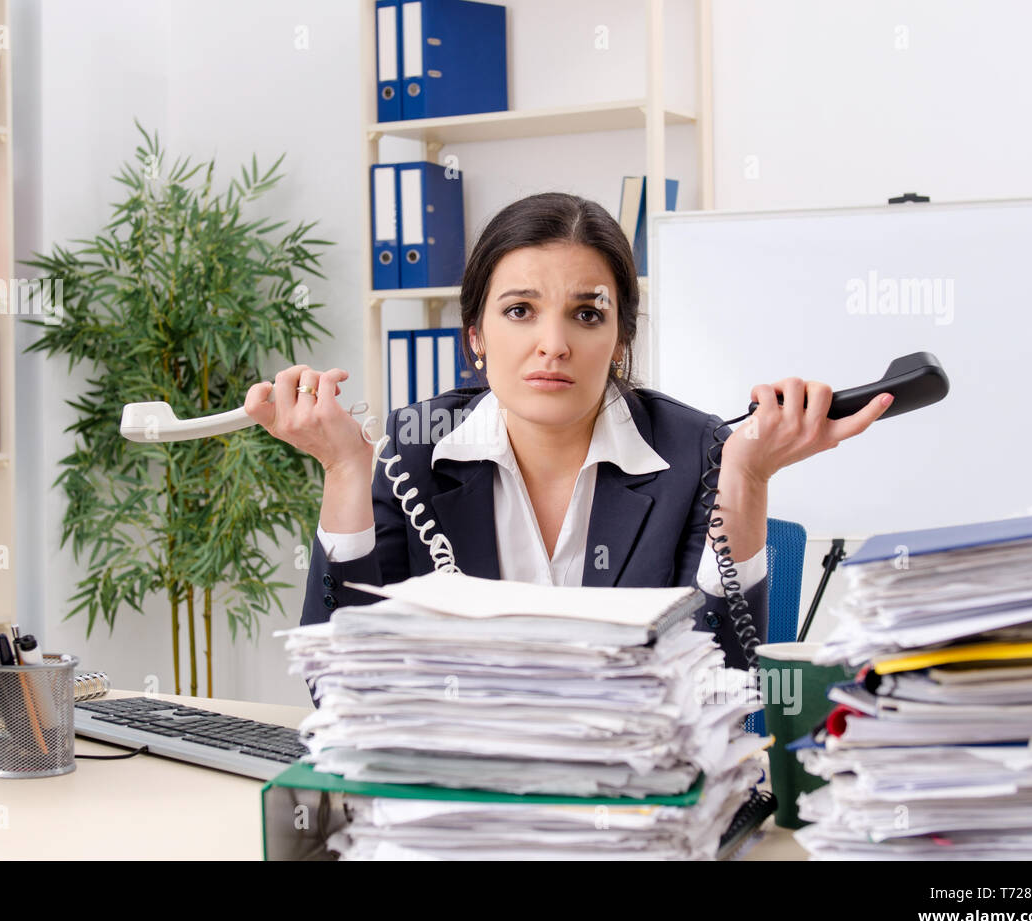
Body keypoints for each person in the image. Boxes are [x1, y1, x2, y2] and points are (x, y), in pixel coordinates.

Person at [246, 192, 891, 670]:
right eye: (520, 311)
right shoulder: (409, 450)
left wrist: (745, 478)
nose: (552, 345)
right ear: (476, 336)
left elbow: (726, 681)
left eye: (586, 314)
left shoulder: (696, 452)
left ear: (619, 340)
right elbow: (335, 681)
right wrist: (343, 472)